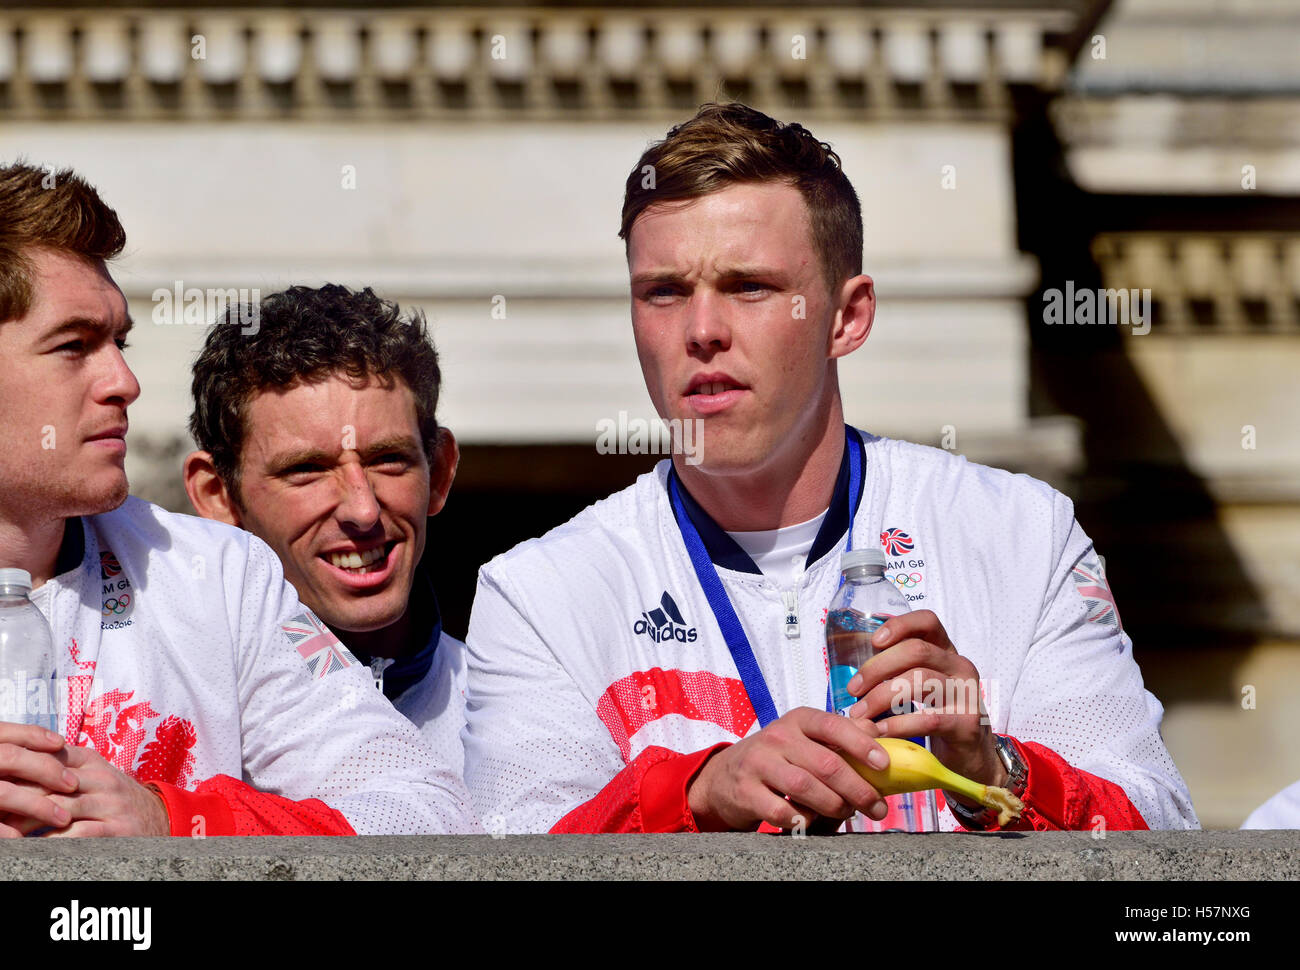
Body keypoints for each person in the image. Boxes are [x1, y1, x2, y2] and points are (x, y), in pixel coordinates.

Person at [462, 102, 1200, 834]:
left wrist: (992, 772)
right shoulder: (540, 595)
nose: (701, 331)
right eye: (664, 292)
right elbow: (507, 860)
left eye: (748, 287)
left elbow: (1159, 837)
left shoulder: (1021, 535)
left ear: (847, 318)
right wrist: (694, 797)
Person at [0, 161, 477, 837]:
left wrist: (177, 822)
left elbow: (427, 813)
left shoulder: (222, 579)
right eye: (74, 345)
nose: (125, 382)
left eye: (119, 342)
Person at [183, 285, 466, 777]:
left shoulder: (517, 709)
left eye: (388, 460)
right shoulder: (165, 723)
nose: (363, 509)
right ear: (218, 496)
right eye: (307, 470)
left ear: (438, 472)